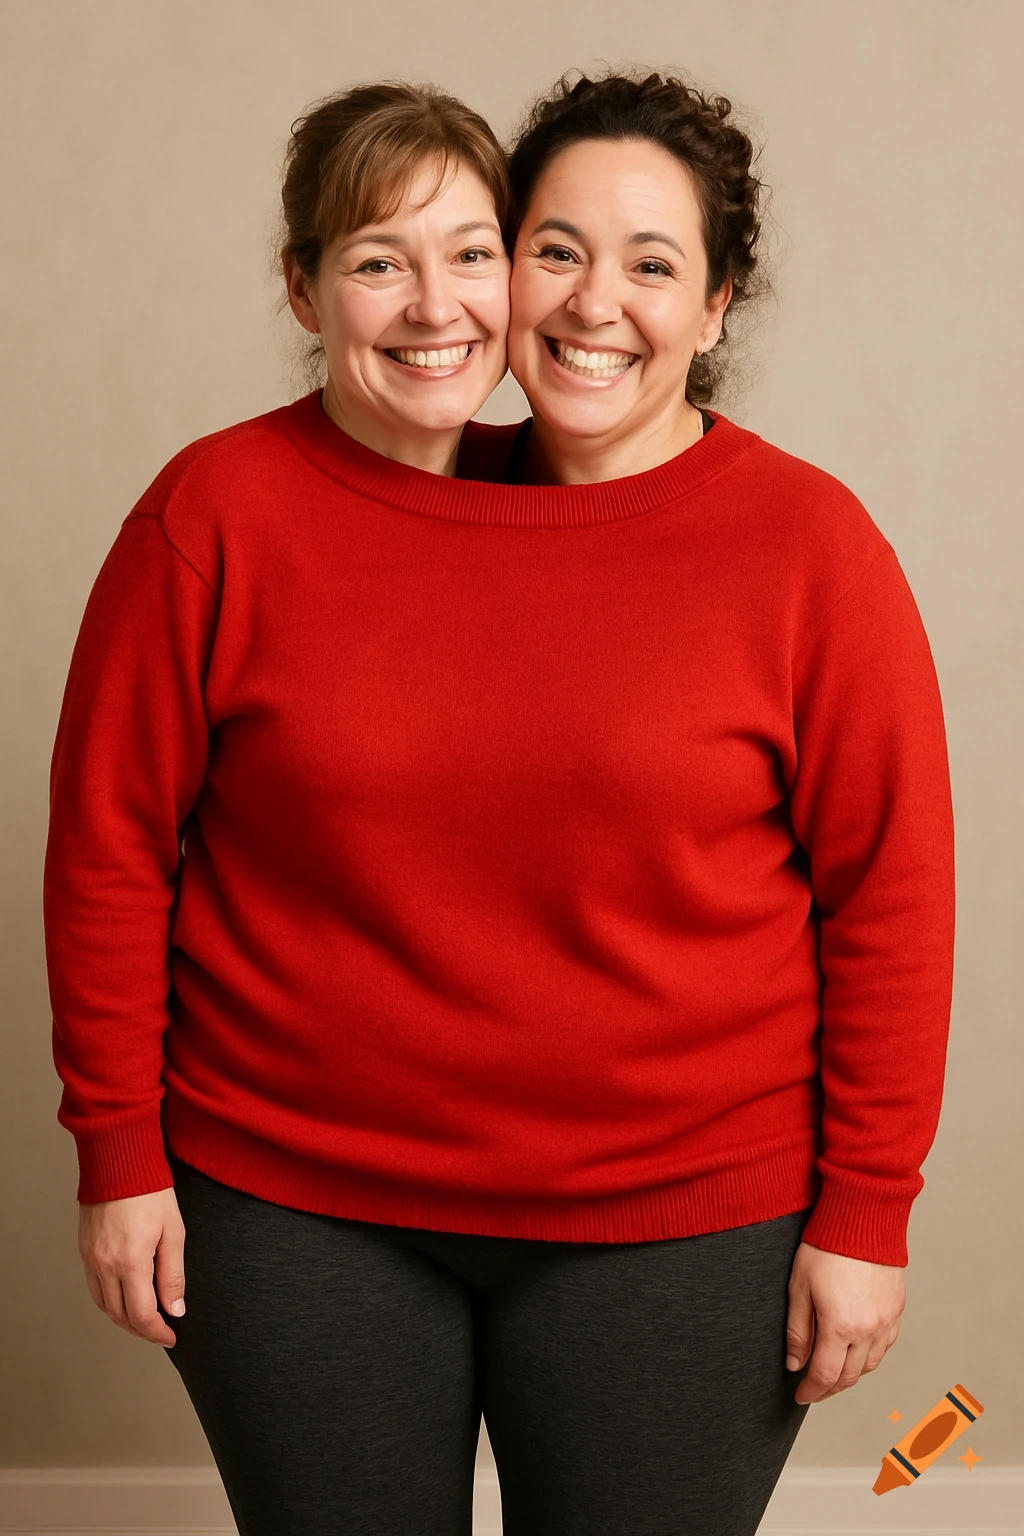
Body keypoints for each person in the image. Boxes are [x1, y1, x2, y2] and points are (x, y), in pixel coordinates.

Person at [41, 73, 955, 1536]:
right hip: (294, 1203)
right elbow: (108, 851)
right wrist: (118, 1148)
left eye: (654, 264)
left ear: (717, 307)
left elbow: (891, 900)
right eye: (554, 249)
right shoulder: (220, 517)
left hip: (686, 1220)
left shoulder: (810, 550)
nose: (595, 301)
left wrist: (868, 1209)